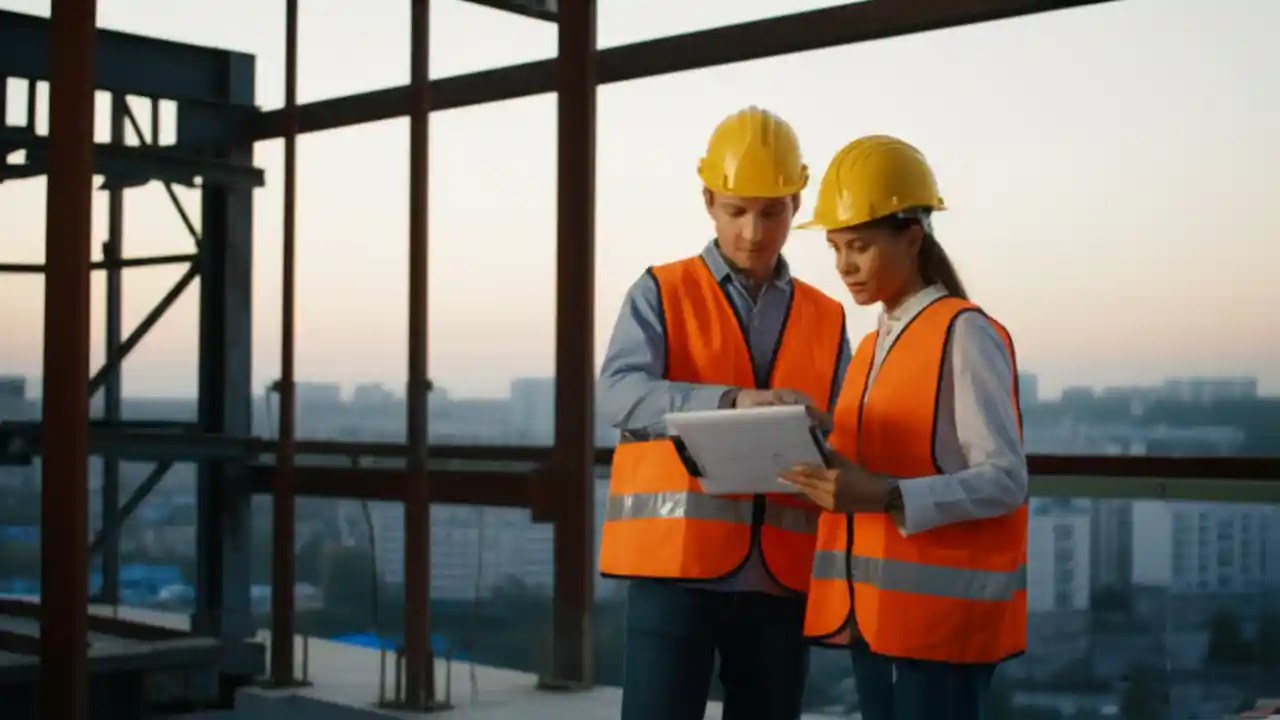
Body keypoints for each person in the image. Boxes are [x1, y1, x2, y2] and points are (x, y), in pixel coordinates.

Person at [597, 106, 852, 720]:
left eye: (772, 211)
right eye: (737, 210)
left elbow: (845, 429)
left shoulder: (826, 315)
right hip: (675, 570)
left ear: (798, 200)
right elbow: (615, 393)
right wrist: (731, 403)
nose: (753, 231)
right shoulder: (662, 289)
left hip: (780, 580)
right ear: (708, 199)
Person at [779, 135, 1028, 720]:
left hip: (939, 630)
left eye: (860, 247)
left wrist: (889, 495)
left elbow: (1005, 479)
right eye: (836, 248)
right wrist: (814, 445)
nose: (844, 266)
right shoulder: (871, 345)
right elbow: (876, 463)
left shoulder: (964, 334)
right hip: (878, 617)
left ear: (913, 237)